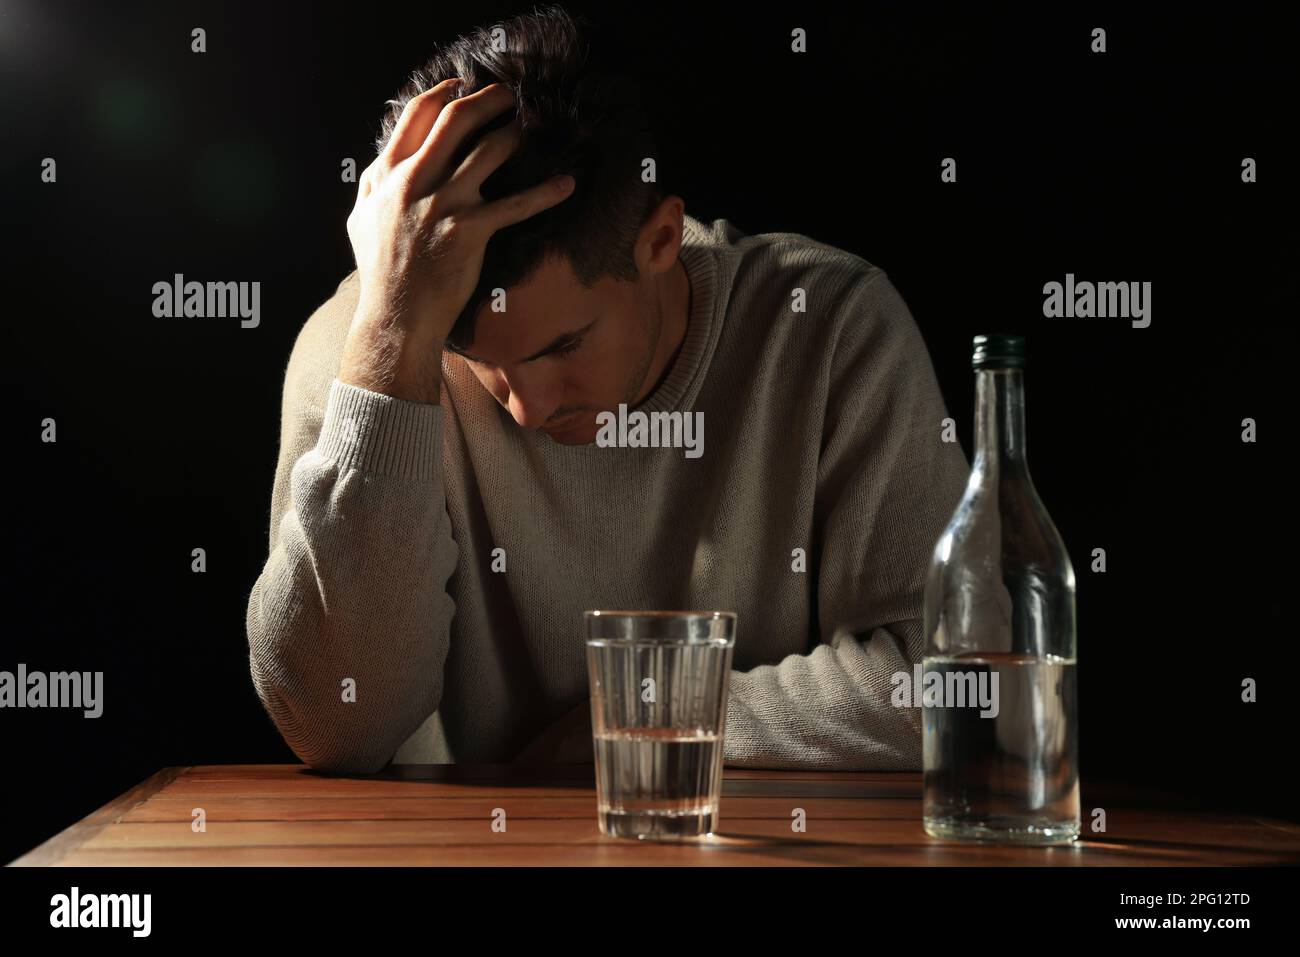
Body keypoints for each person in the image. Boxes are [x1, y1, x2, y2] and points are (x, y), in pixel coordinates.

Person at [245, 4, 969, 773]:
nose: (524, 405)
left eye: (562, 345)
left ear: (659, 241)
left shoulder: (828, 326)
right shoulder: (370, 341)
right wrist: (393, 343)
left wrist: (632, 716)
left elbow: (946, 681)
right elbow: (336, 725)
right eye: (473, 354)